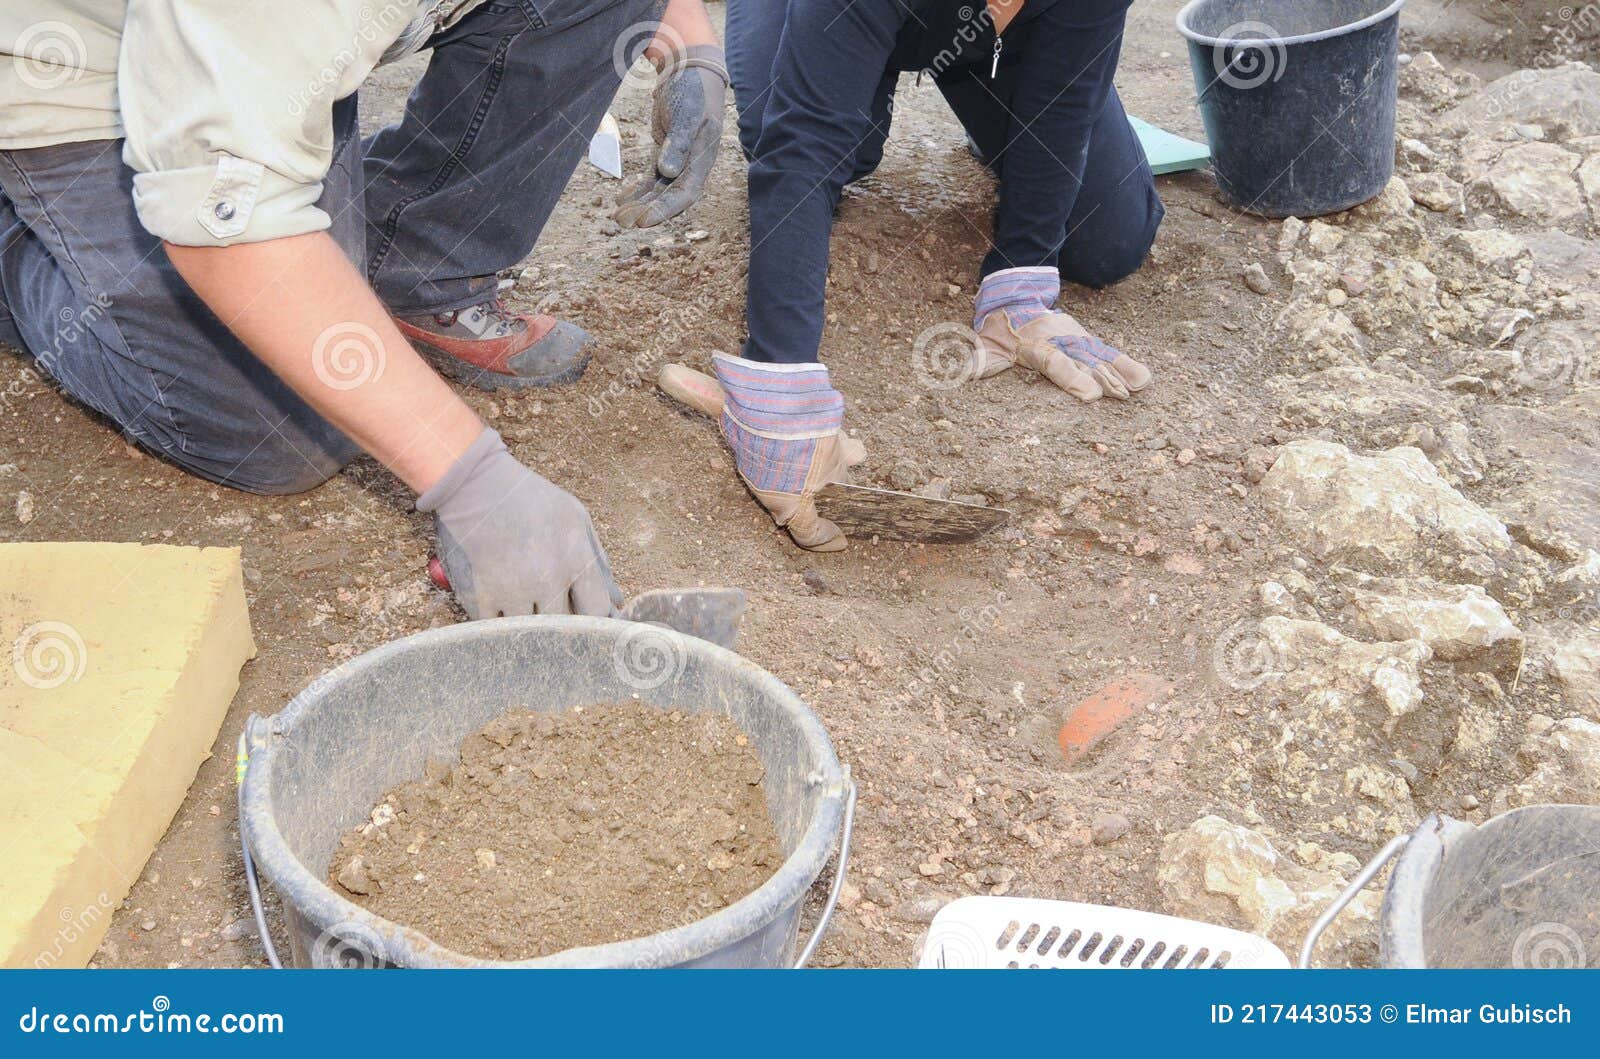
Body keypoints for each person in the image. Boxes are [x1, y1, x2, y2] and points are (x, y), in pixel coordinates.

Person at [0, 0, 727, 618]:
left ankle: (414, 269)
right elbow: (225, 217)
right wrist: (471, 479)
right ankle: (29, 239)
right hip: (86, 70)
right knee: (284, 425)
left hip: (274, 44)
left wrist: (690, 43)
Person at [711, 0, 1163, 551]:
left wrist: (1021, 278)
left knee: (1110, 240)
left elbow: (1065, 100)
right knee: (821, 143)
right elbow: (804, 144)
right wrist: (779, 391)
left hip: (980, 37)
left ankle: (992, 112)